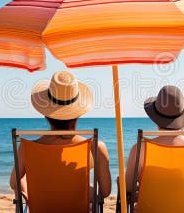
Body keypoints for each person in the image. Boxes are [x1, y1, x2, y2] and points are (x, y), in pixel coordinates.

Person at [10, 70, 112, 199]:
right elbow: (105, 192)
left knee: (21, 179)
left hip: (42, 212)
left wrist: (26, 192)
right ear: (78, 113)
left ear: (46, 114)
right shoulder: (96, 147)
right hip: (79, 212)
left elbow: (14, 183)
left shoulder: (27, 148)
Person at [125, 85, 184, 191]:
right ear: (183, 119)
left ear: (156, 120)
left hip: (149, 202)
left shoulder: (139, 149)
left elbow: (128, 188)